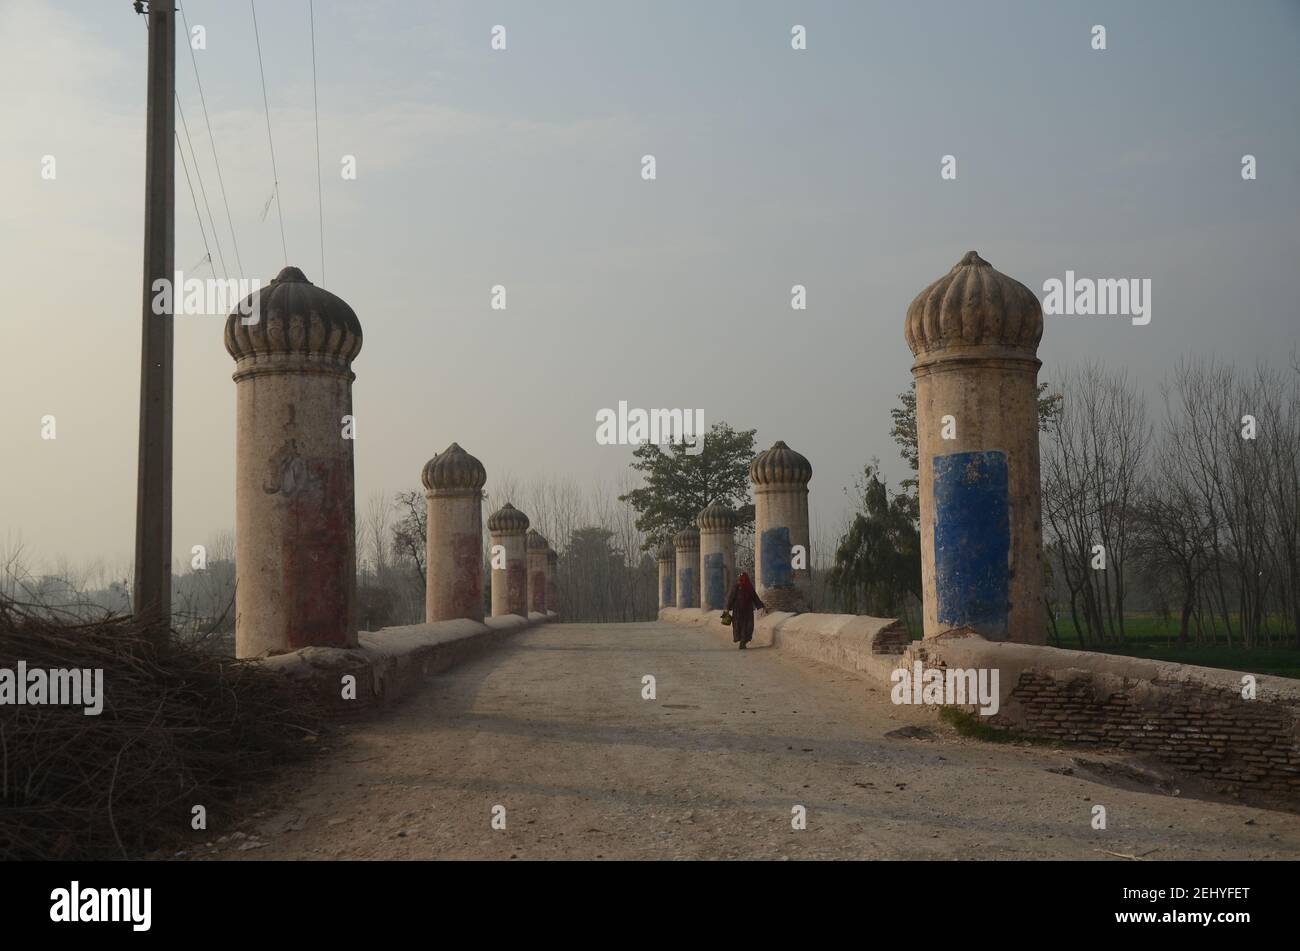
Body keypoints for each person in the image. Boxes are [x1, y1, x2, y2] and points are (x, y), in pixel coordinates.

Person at [724, 571, 765, 649]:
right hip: (747, 611)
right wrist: (760, 606)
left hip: (738, 611)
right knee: (747, 626)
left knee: (739, 625)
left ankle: (742, 640)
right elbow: (755, 598)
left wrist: (727, 608)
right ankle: (743, 641)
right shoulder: (749, 587)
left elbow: (731, 598)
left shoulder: (736, 586)